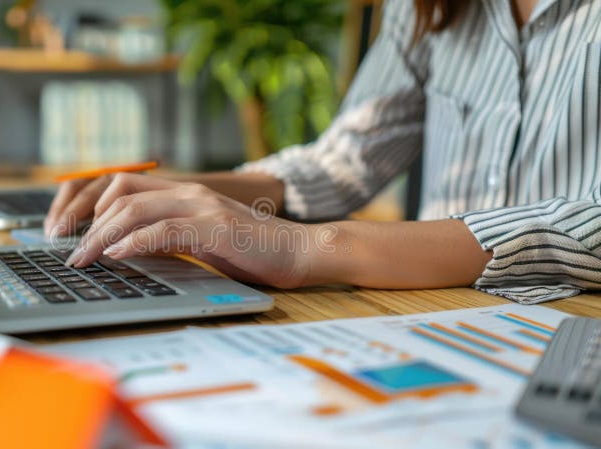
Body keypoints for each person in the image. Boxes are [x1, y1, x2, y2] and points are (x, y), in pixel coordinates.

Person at [45, 0, 601, 304]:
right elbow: (346, 160)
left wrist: (309, 247)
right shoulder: (431, 8)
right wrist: (185, 195)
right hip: (432, 309)